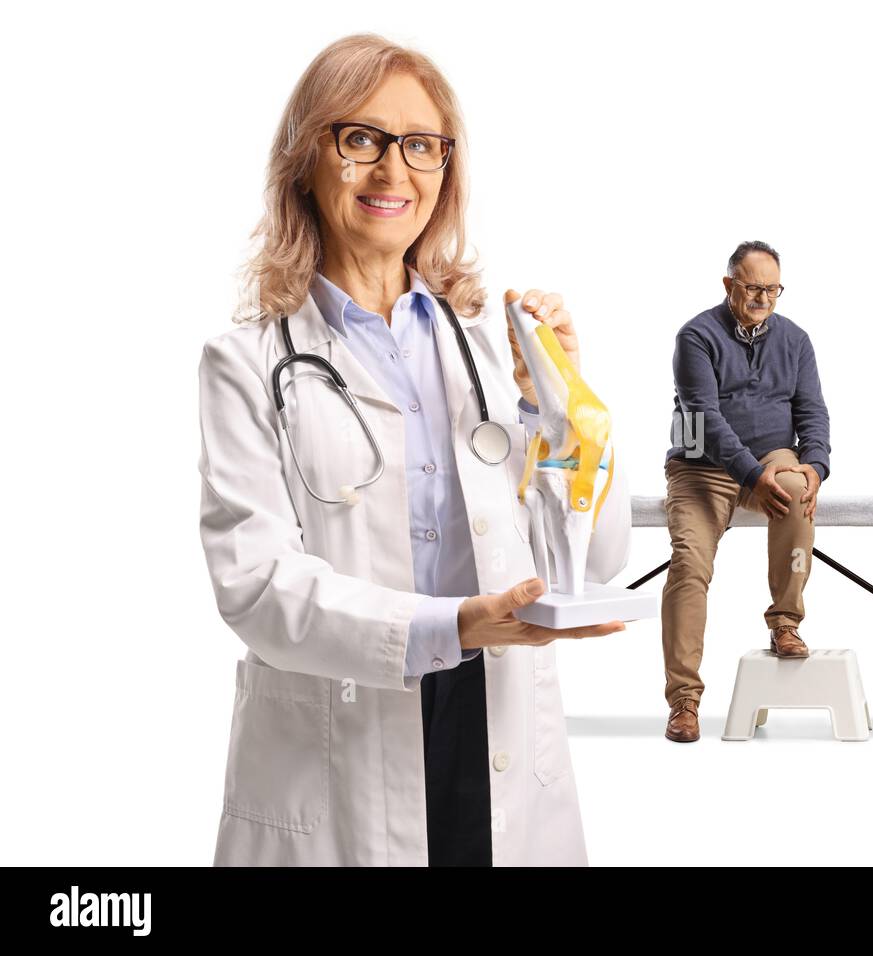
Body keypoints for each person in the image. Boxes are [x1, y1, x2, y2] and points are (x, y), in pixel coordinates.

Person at [196, 33, 630, 866]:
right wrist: (455, 624)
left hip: (497, 721)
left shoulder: (487, 351)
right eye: (361, 139)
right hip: (342, 730)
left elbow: (596, 558)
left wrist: (564, 406)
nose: (395, 171)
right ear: (305, 161)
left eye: (423, 146)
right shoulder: (245, 362)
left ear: (446, 171)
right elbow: (255, 585)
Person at [659, 240, 831, 743]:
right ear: (729, 284)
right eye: (753, 287)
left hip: (772, 458)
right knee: (690, 565)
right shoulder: (697, 336)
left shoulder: (795, 340)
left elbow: (813, 411)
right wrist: (751, 477)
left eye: (772, 289)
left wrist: (816, 463)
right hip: (702, 465)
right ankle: (684, 701)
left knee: (798, 487)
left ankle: (785, 621)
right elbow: (706, 418)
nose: (763, 298)